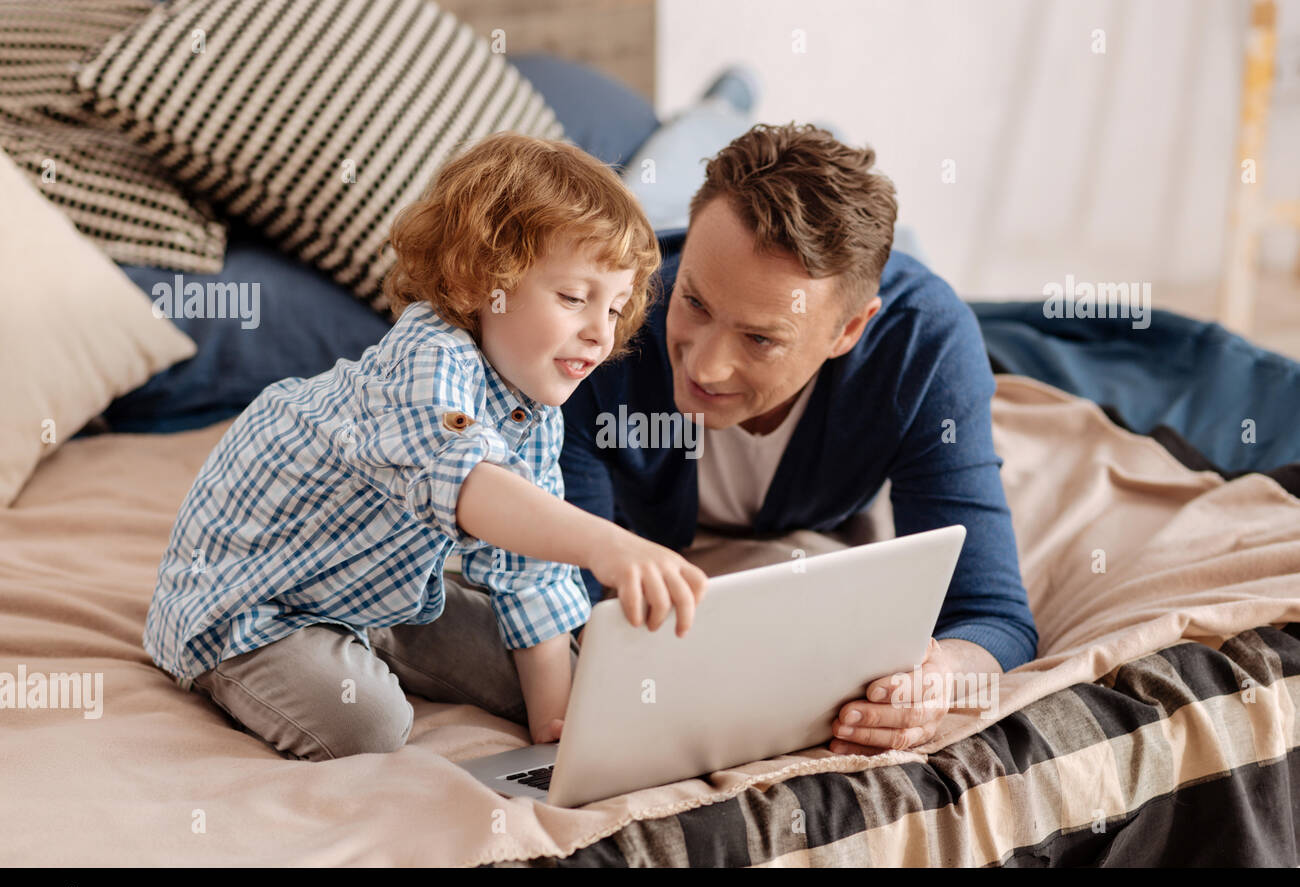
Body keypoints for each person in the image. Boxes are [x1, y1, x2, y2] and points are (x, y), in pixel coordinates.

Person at [142, 132, 707, 760]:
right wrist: (608, 544)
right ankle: (264, 662)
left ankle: (373, 638)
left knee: (556, 676)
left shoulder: (537, 407)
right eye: (574, 298)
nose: (600, 335)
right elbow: (466, 482)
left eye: (616, 307)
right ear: (479, 279)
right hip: (256, 601)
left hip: (376, 585)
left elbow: (531, 574)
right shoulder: (426, 355)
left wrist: (558, 731)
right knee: (367, 726)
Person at [561, 122, 1040, 753]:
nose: (704, 367)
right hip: (666, 230)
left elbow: (993, 616)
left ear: (849, 333)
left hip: (881, 290)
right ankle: (715, 109)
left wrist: (937, 682)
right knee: (646, 187)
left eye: (759, 339)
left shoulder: (924, 346)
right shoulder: (604, 328)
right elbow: (575, 610)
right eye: (695, 304)